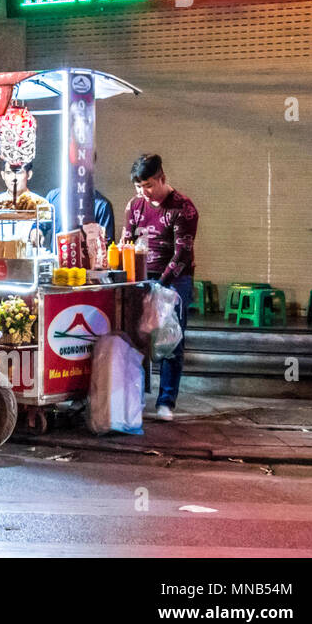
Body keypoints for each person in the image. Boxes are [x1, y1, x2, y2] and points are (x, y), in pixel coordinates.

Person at [121, 153, 198, 422]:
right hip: (141, 278)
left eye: (149, 185)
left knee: (170, 339)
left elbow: (182, 255)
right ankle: (135, 396)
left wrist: (160, 285)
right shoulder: (135, 206)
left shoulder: (183, 208)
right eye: (139, 187)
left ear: (162, 177)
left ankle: (166, 400)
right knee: (135, 338)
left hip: (173, 280)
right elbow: (125, 242)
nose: (145, 192)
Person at [0, 161, 53, 250]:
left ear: (29, 174)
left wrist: (36, 232)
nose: (14, 178)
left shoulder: (41, 203)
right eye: (8, 173)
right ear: (3, 175)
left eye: (19, 172)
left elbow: (43, 225)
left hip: (28, 259)